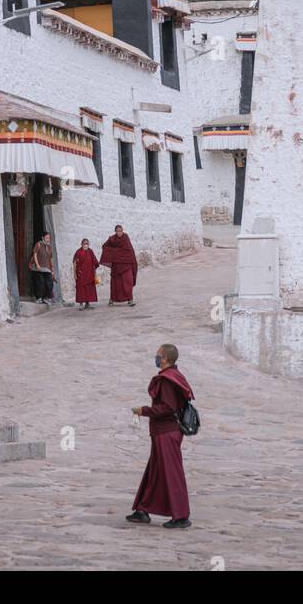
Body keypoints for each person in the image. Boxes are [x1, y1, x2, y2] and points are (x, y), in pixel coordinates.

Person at [127, 343, 193, 529]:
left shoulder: (166, 380)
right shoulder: (175, 375)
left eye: (158, 355)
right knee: (155, 472)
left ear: (165, 359)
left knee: (172, 474)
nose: (156, 358)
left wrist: (143, 410)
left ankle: (181, 516)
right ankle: (142, 510)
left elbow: (167, 408)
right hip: (164, 432)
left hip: (167, 432)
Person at [100, 225, 137, 306]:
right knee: (115, 284)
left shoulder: (126, 238)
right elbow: (104, 246)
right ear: (115, 232)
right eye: (117, 231)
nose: (119, 232)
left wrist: (132, 262)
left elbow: (129, 250)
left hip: (127, 265)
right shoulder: (112, 239)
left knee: (128, 282)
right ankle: (112, 300)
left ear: (122, 231)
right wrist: (114, 253)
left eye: (120, 231)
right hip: (116, 265)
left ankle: (130, 299)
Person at [72, 238, 99, 309]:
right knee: (81, 289)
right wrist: (74, 273)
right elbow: (75, 263)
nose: (86, 245)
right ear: (81, 244)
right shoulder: (78, 252)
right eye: (84, 244)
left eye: (87, 244)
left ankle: (87, 303)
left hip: (89, 274)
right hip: (80, 274)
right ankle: (81, 304)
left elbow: (95, 262)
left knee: (89, 289)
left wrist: (94, 272)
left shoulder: (90, 251)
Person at [30, 232, 55, 304]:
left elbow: (50, 258)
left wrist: (52, 267)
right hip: (38, 268)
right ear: (42, 238)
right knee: (40, 282)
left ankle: (46, 298)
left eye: (49, 238)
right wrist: (37, 264)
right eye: (47, 238)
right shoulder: (38, 244)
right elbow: (35, 254)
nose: (48, 239)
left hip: (47, 268)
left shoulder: (49, 247)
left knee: (49, 283)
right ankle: (38, 298)